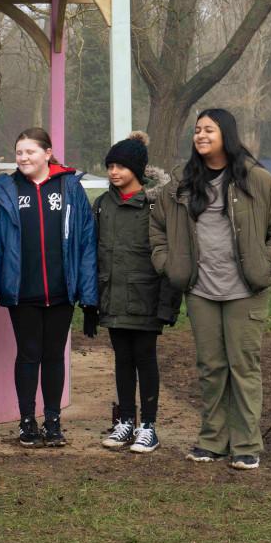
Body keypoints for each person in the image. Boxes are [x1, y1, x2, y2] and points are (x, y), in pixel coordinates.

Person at [150, 108, 271, 471]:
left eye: (209, 130)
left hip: (245, 291)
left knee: (242, 366)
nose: (200, 136)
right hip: (200, 291)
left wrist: (266, 263)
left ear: (226, 135)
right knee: (211, 367)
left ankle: (247, 443)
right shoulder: (179, 184)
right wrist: (169, 266)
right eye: (197, 130)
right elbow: (156, 227)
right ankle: (212, 440)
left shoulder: (256, 180)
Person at [0, 127, 97, 448]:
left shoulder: (70, 187)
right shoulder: (7, 190)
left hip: (61, 291)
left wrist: (89, 295)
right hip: (22, 292)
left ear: (47, 153)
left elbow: (86, 242)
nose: (23, 157)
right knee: (29, 355)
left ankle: (53, 420)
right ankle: (27, 421)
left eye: (30, 151)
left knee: (54, 355)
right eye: (19, 152)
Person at [90, 132, 181, 455]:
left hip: (146, 299)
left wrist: (168, 303)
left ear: (138, 169)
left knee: (145, 358)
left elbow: (171, 255)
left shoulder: (157, 205)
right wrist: (92, 300)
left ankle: (149, 426)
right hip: (112, 297)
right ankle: (126, 420)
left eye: (121, 166)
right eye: (110, 165)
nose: (114, 172)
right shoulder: (102, 206)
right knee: (122, 360)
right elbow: (93, 251)